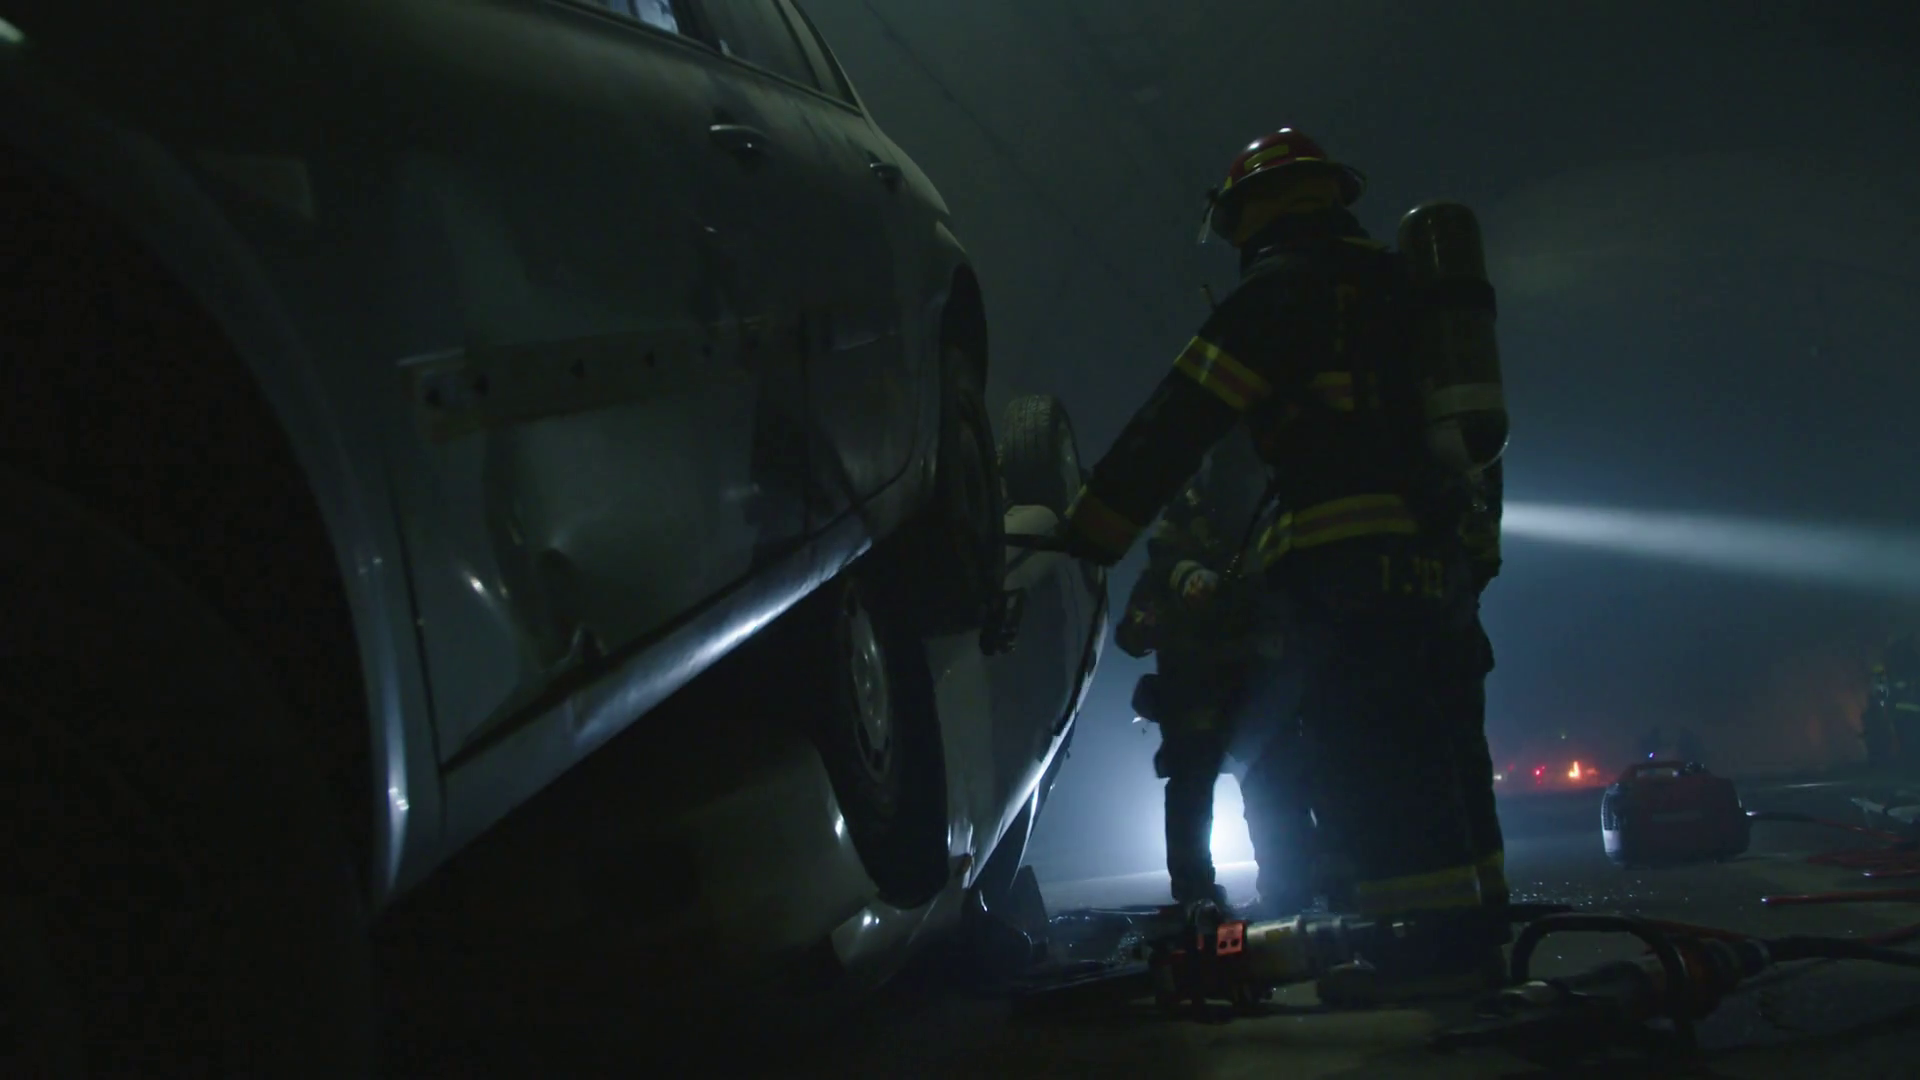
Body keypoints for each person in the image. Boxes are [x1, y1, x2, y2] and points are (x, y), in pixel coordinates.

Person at [1058, 128, 1504, 999]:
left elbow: (1178, 419)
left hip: (1341, 571)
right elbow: (1478, 440)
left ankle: (1413, 958)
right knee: (1450, 751)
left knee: (1370, 764)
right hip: (1439, 569)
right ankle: (1480, 935)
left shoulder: (1275, 296)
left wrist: (1094, 527)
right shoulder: (1416, 289)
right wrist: (1473, 553)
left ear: (1253, 213)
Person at [1116, 429, 1318, 913]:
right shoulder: (1188, 551)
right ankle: (1231, 891)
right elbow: (1132, 634)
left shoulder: (1264, 531)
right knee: (1237, 786)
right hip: (1208, 693)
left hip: (1243, 693)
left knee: (1259, 785)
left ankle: (1267, 887)